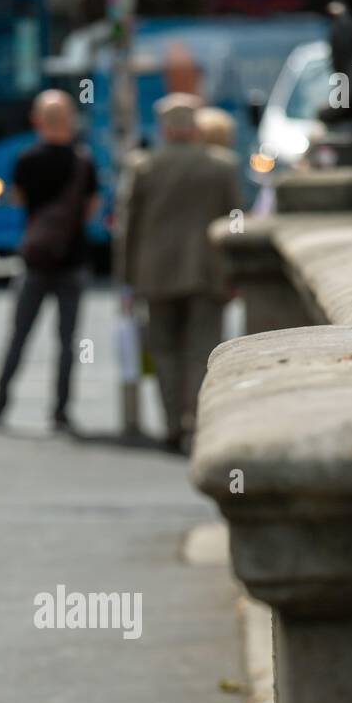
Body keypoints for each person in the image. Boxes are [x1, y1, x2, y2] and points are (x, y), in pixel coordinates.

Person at [115, 93, 243, 453]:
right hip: (208, 270)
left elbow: (129, 227)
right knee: (202, 349)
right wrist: (236, 271)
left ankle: (172, 423)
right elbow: (236, 221)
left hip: (155, 273)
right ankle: (197, 422)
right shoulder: (221, 166)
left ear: (164, 128)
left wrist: (126, 278)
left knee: (164, 349)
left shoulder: (144, 166)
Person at [0, 90, 99, 434]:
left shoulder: (26, 158)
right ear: (70, 120)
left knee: (19, 335)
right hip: (73, 258)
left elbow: (17, 198)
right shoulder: (83, 160)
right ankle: (60, 411)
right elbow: (90, 208)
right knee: (67, 341)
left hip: (35, 259)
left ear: (37, 120)